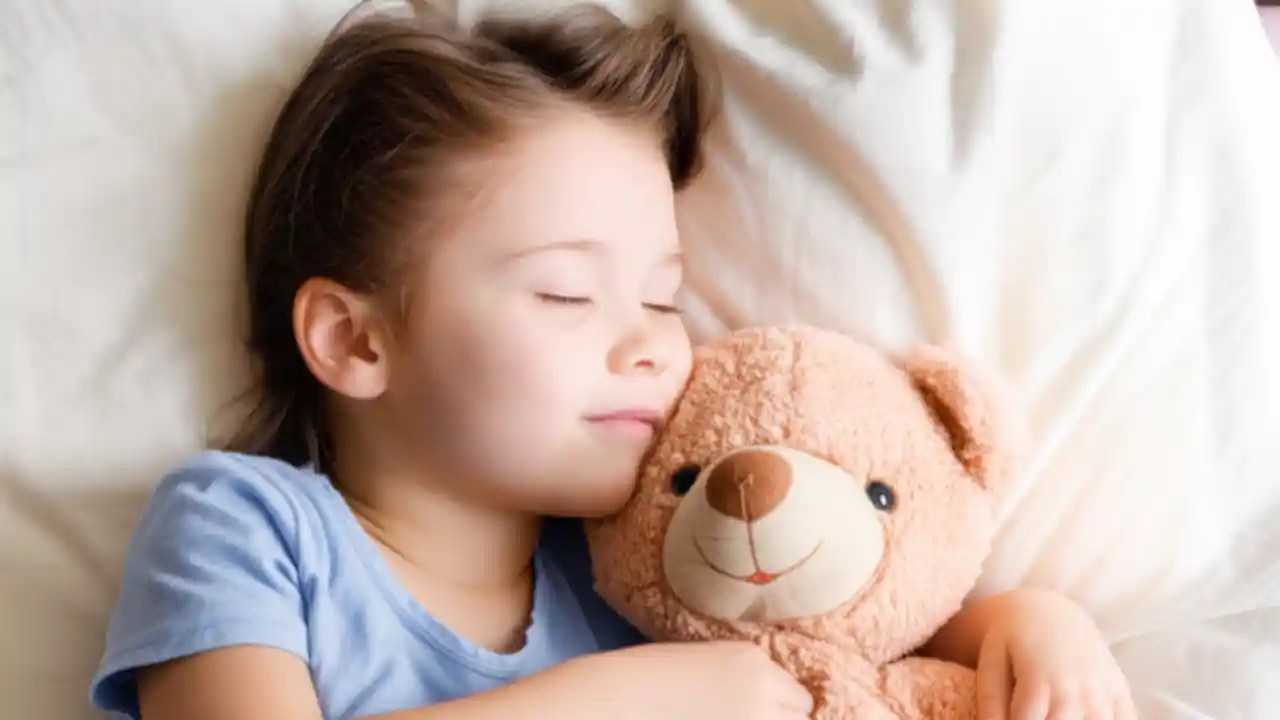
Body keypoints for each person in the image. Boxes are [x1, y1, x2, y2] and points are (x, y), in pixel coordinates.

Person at [89, 3, 1135, 719]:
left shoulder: (631, 575)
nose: (650, 345)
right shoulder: (247, 528)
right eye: (565, 293)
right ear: (356, 340)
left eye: (658, 297)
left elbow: (858, 633)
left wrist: (1026, 626)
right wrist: (649, 695)